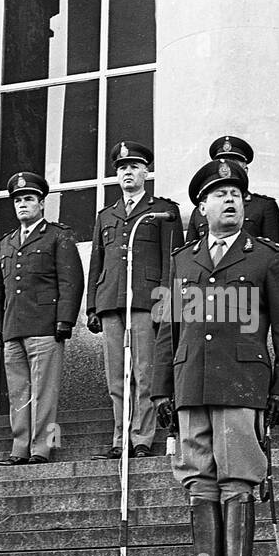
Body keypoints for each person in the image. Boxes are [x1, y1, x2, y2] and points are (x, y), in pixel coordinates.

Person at [152, 158, 279, 556]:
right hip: (190, 382)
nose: (229, 200)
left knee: (238, 476)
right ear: (202, 208)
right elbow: (168, 328)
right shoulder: (182, 260)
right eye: (219, 195)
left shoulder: (267, 258)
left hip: (241, 382)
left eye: (236, 194)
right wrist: (161, 390)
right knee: (198, 478)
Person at [86, 140, 184, 460]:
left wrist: (166, 302)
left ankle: (142, 437)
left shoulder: (162, 211)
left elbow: (171, 262)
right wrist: (91, 306)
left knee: (144, 373)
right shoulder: (106, 215)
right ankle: (120, 437)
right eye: (122, 168)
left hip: (144, 301)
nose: (127, 172)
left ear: (146, 171)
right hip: (111, 301)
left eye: (133, 166)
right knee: (117, 375)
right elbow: (96, 263)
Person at [0, 171, 83, 466]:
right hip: (13, 327)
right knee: (19, 392)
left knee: (43, 392)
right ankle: (19, 447)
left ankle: (41, 448)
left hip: (45, 325)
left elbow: (71, 282)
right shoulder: (6, 243)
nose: (22, 205)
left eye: (29, 199)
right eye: (18, 200)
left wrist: (64, 320)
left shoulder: (58, 236)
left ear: (42, 203)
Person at [187, 136, 279, 243]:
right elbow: (190, 254)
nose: (227, 169)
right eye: (222, 164)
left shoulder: (264, 206)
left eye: (234, 165)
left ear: (245, 171)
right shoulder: (200, 211)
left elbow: (273, 253)